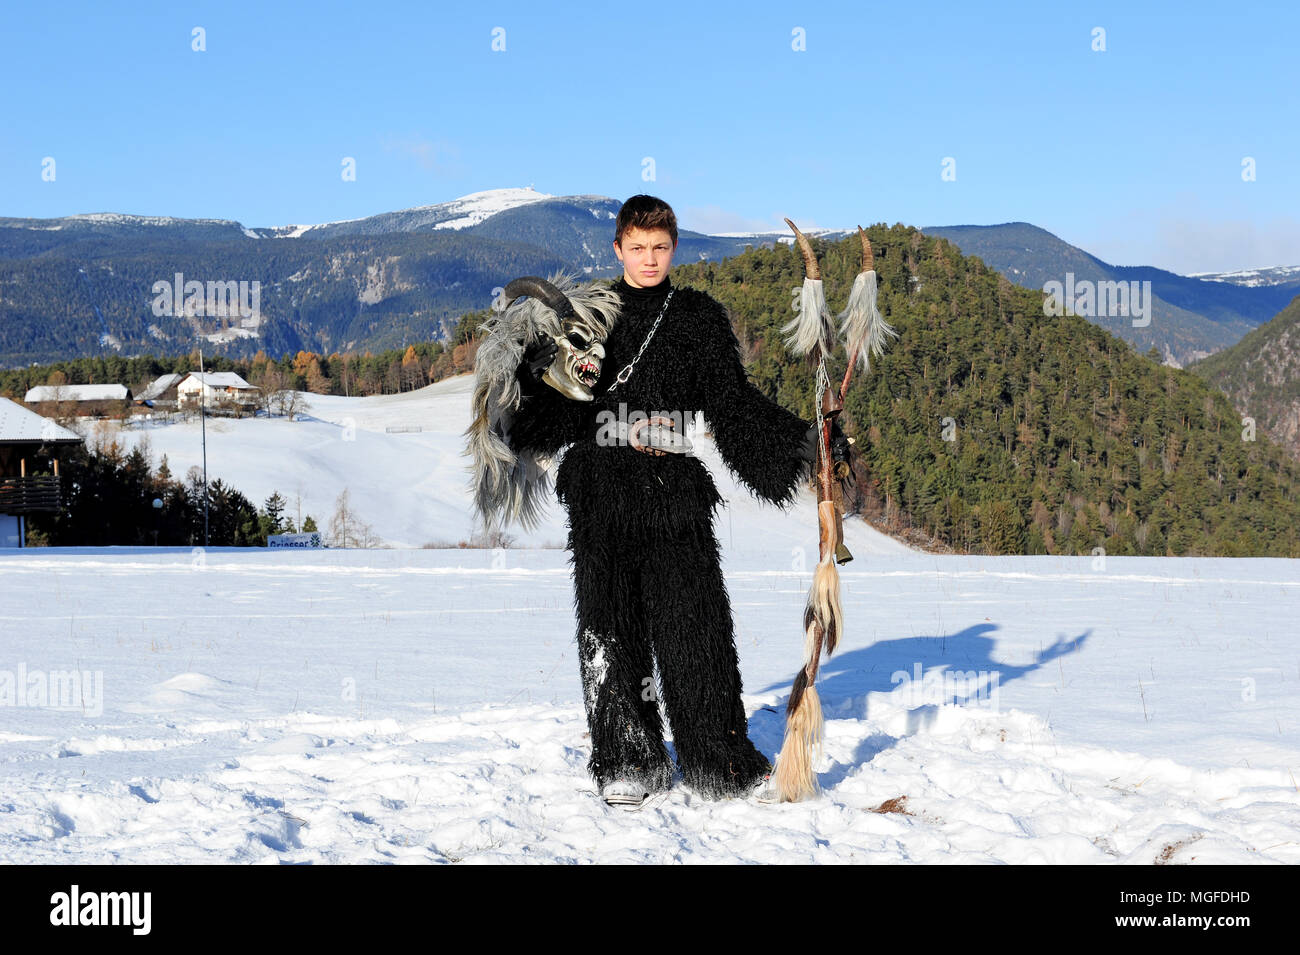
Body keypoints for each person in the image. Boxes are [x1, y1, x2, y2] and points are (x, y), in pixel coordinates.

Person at [508, 195, 846, 805]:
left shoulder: (696, 318)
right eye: (636, 248)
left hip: (672, 491)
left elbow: (732, 405)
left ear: (675, 248)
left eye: (659, 247)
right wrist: (532, 378)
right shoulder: (587, 319)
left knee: (698, 627)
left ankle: (718, 760)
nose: (648, 259)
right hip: (600, 489)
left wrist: (806, 442)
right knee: (610, 629)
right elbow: (551, 417)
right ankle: (628, 759)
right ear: (617, 249)